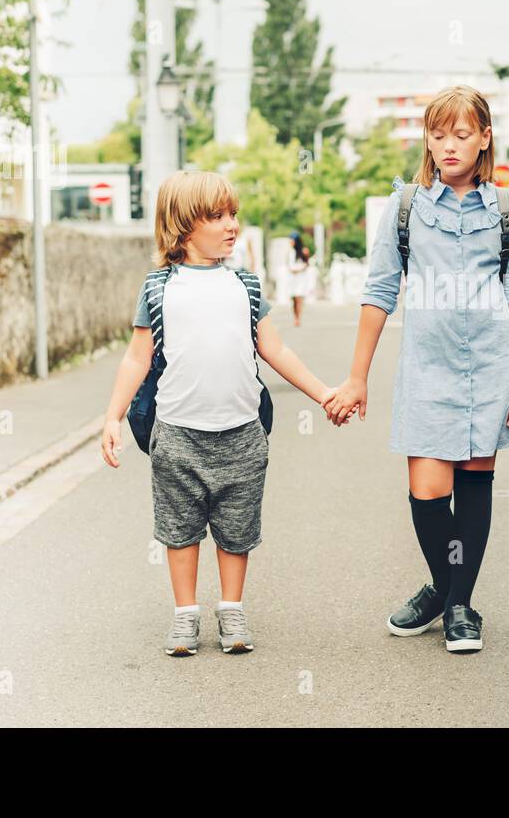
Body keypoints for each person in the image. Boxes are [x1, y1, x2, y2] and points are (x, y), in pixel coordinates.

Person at [323, 85, 509, 654]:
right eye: (438, 134)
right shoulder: (406, 209)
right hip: (427, 367)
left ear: (485, 137)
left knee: (473, 481)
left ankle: (459, 606)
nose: (449, 145)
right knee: (426, 491)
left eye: (462, 134)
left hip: (492, 366)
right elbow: (377, 293)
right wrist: (356, 376)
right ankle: (446, 589)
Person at [99, 170, 343, 657]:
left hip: (241, 433)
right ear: (182, 225)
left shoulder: (246, 286)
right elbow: (137, 357)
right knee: (179, 526)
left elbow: (275, 350)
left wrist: (324, 394)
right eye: (217, 216)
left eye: (233, 214)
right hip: (177, 433)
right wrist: (112, 417)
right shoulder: (157, 289)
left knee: (237, 528)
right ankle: (185, 615)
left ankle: (231, 608)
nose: (231, 224)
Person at [288, 231, 315, 327]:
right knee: (294, 300)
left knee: (299, 298)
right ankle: (295, 316)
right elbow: (290, 267)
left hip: (301, 279)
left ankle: (298, 318)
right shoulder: (291, 252)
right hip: (292, 279)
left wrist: (300, 268)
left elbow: (307, 264)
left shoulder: (304, 251)